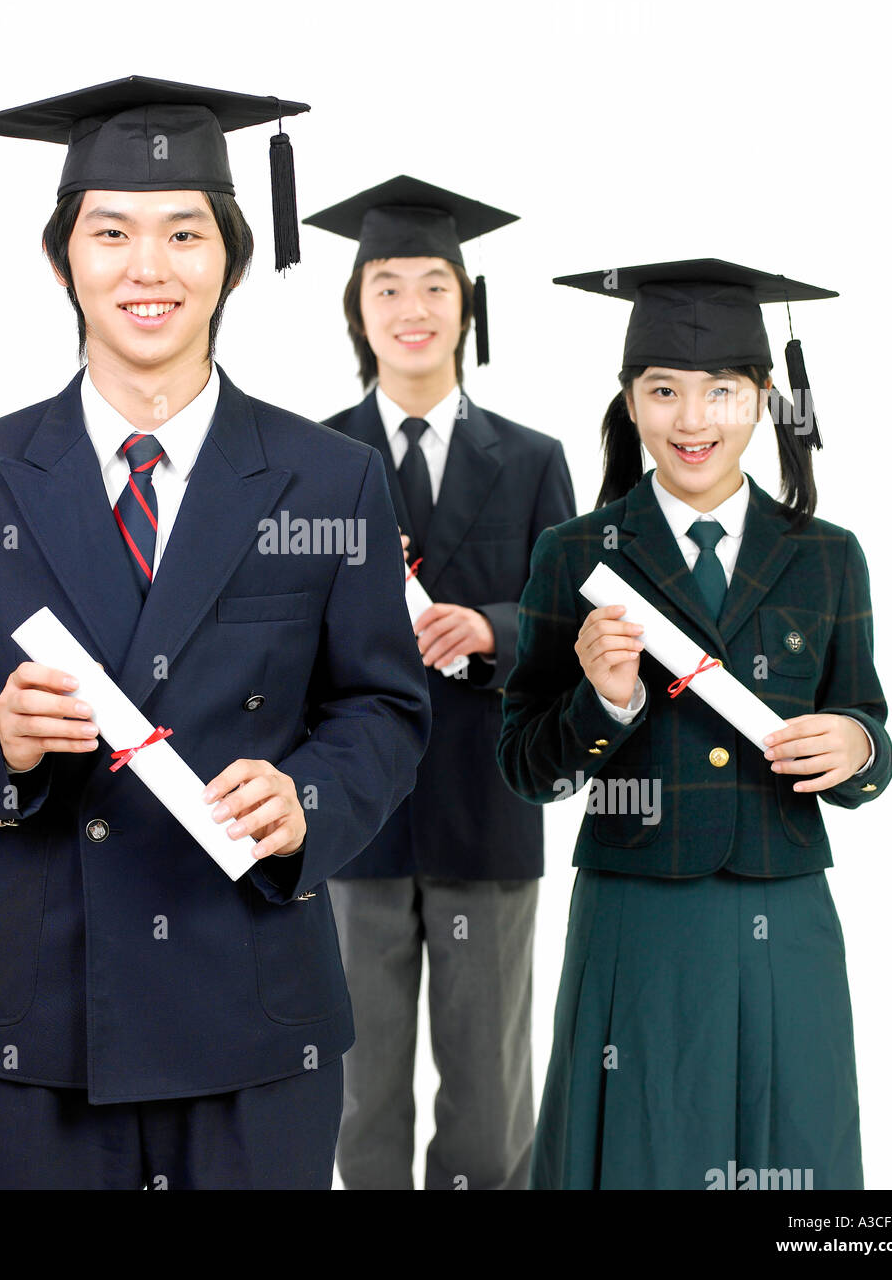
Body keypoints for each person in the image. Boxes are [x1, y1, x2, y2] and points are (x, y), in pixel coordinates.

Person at [0, 77, 432, 1190]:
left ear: (227, 253)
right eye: (110, 232)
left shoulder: (331, 476)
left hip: (257, 1012)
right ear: (59, 259)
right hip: (42, 1020)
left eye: (183, 233)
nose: (147, 267)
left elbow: (384, 708)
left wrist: (304, 798)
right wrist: (0, 742)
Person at [498, 258, 892, 1189]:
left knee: (793, 1141)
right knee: (643, 1144)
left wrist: (858, 747)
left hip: (783, 903)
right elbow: (528, 768)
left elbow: (871, 729)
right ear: (630, 402)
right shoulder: (576, 553)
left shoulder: (826, 558)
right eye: (663, 390)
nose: (691, 419)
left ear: (763, 401)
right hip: (638, 911)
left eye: (721, 392)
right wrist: (605, 702)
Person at [306, 176, 575, 1188]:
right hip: (355, 815)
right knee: (357, 1088)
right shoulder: (307, 462)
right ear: (356, 311)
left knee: (489, 1091)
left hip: (486, 801)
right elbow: (269, 640)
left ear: (467, 306)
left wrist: (492, 631)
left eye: (433, 286)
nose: (410, 309)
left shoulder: (532, 459)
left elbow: (574, 622)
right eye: (385, 287)